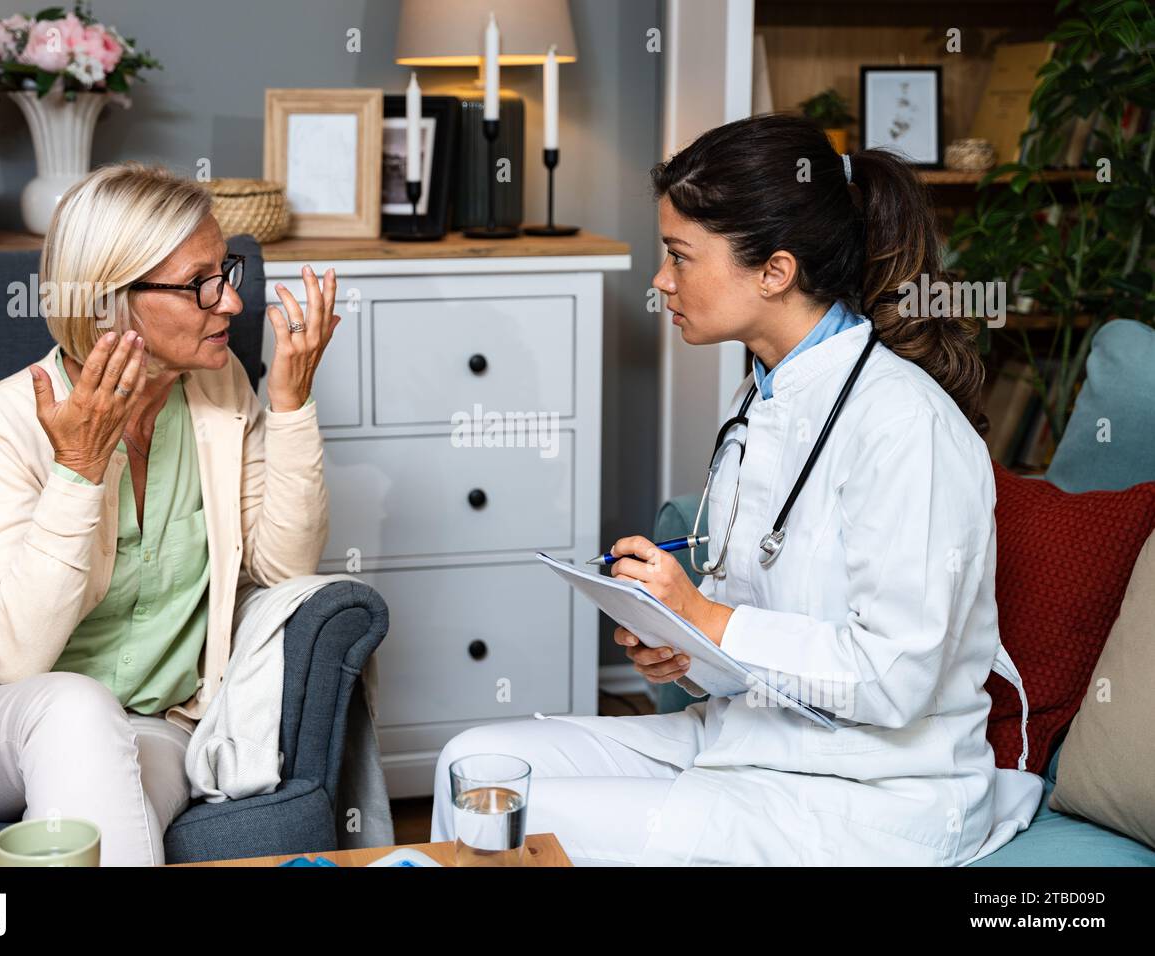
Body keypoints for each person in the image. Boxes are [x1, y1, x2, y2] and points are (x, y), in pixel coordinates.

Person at [430, 114, 1042, 866]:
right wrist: (684, 649)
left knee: (523, 809)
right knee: (470, 762)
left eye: (680, 257)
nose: (661, 282)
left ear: (775, 271)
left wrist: (709, 621)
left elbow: (895, 679)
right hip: (746, 741)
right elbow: (761, 634)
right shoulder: (757, 399)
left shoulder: (906, 424)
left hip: (876, 794)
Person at [0, 162, 341, 865]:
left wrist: (291, 404)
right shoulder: (3, 420)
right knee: (74, 708)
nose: (231, 305)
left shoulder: (221, 389)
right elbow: (17, 658)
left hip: (154, 724)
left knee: (104, 822)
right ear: (111, 299)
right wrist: (80, 471)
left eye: (227, 271)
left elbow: (283, 569)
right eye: (198, 284)